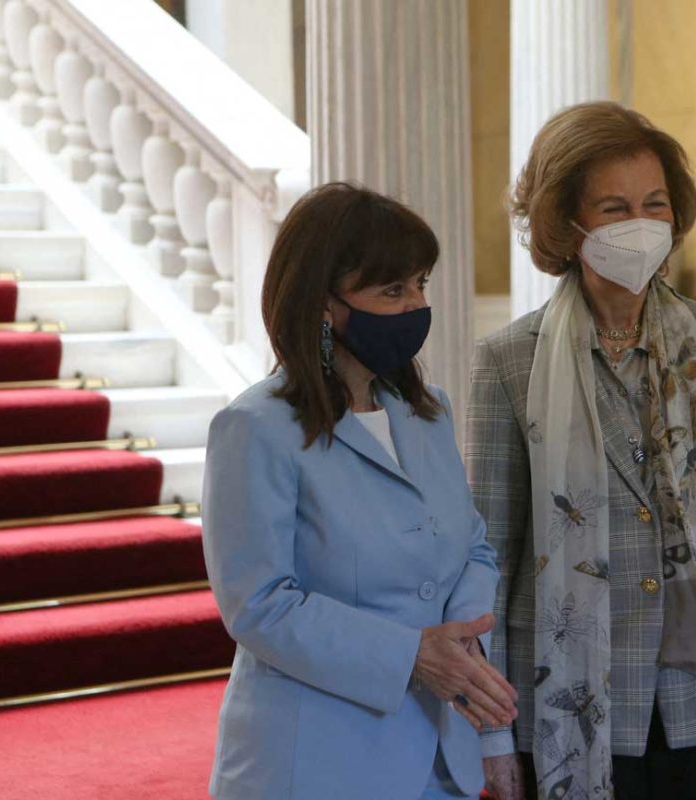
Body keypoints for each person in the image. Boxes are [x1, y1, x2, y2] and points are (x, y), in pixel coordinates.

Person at [466, 102, 696, 800]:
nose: (641, 224)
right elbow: (493, 560)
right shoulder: (509, 363)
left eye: (655, 204)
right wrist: (492, 735)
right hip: (578, 699)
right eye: (615, 207)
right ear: (568, 226)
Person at [202, 182, 518, 800]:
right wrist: (410, 655)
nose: (416, 305)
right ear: (324, 304)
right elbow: (259, 604)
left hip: (439, 751)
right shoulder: (255, 427)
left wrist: (455, 644)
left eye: (421, 283)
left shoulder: (429, 414)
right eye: (393, 290)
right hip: (317, 762)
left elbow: (472, 547)